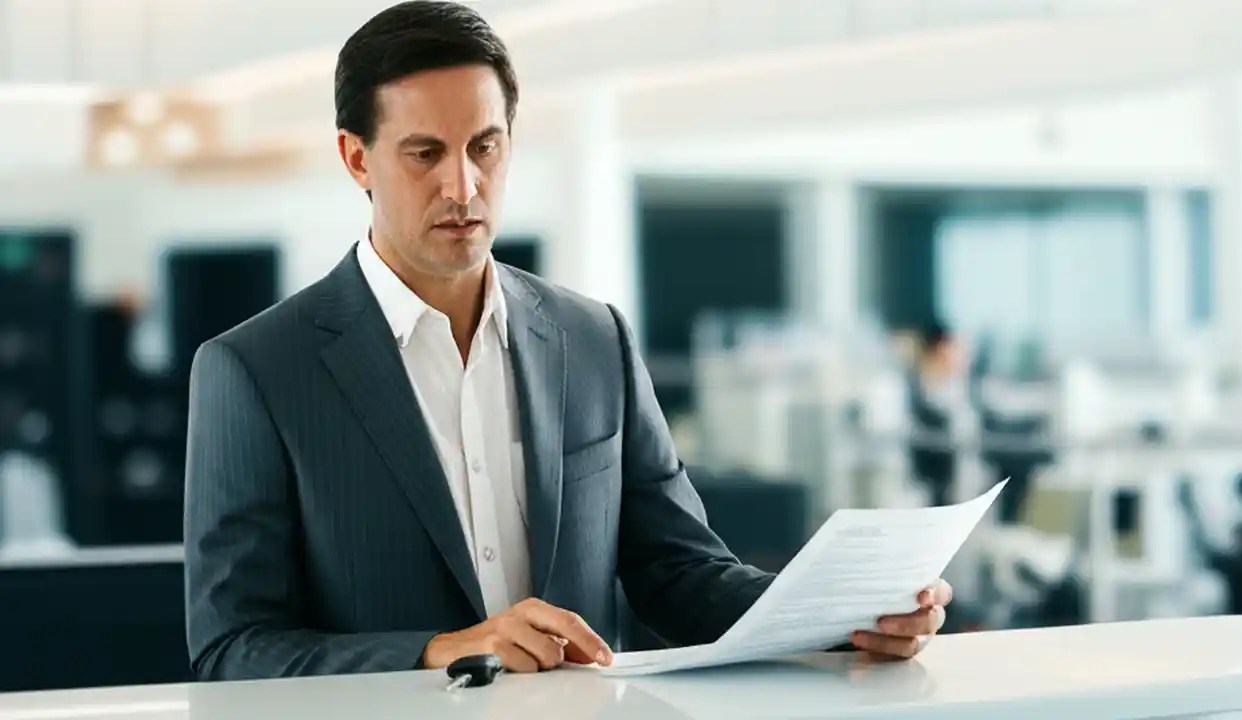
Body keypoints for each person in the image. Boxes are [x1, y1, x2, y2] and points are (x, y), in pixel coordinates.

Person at [183, 1, 952, 681]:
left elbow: (677, 571)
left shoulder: (592, 339)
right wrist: (439, 650)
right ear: (358, 157)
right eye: (426, 154)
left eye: (485, 146)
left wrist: (844, 616)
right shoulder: (254, 371)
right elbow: (234, 649)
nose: (464, 185)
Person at [1178, 483, 1242, 617]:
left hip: (1239, 617)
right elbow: (1203, 546)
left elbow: (1203, 546)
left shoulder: (1236, 563)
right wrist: (1190, 510)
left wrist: (1190, 509)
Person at [907, 321, 966, 507]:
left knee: (946, 496)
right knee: (933, 496)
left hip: (947, 449)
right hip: (928, 450)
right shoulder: (917, 379)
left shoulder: (954, 379)